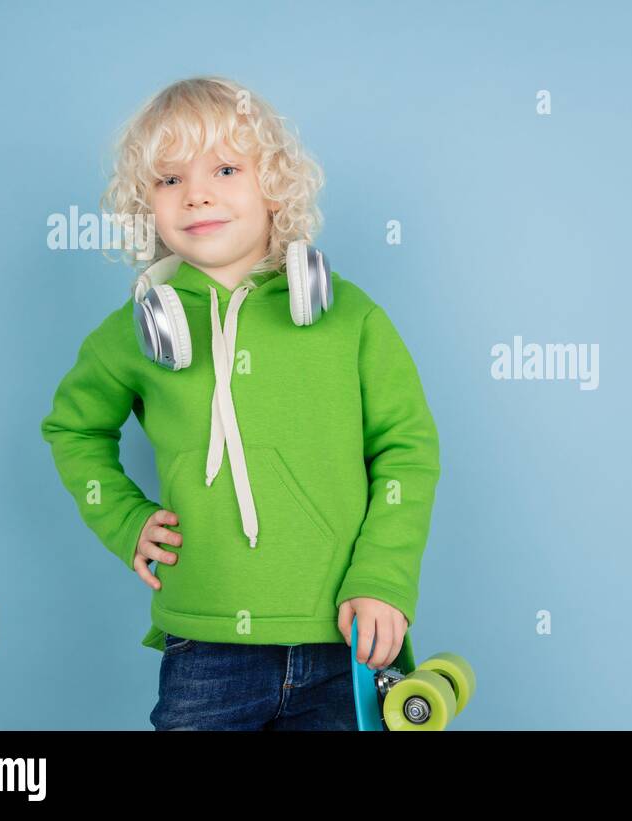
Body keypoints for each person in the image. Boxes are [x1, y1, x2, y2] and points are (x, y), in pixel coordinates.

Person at [39, 76, 440, 730]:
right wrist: (123, 519)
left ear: (274, 184)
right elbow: (72, 427)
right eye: (169, 179)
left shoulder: (350, 318)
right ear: (147, 204)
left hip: (341, 639)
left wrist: (383, 578)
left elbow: (407, 452)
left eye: (225, 168)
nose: (196, 192)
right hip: (206, 648)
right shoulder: (140, 330)